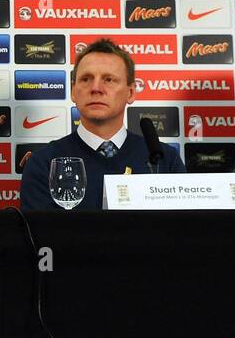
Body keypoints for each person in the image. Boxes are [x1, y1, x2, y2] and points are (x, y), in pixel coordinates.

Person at [21, 38, 185, 210]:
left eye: (109, 79)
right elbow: (41, 235)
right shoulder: (45, 163)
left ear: (130, 93)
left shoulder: (165, 160)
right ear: (73, 92)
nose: (96, 88)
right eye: (86, 79)